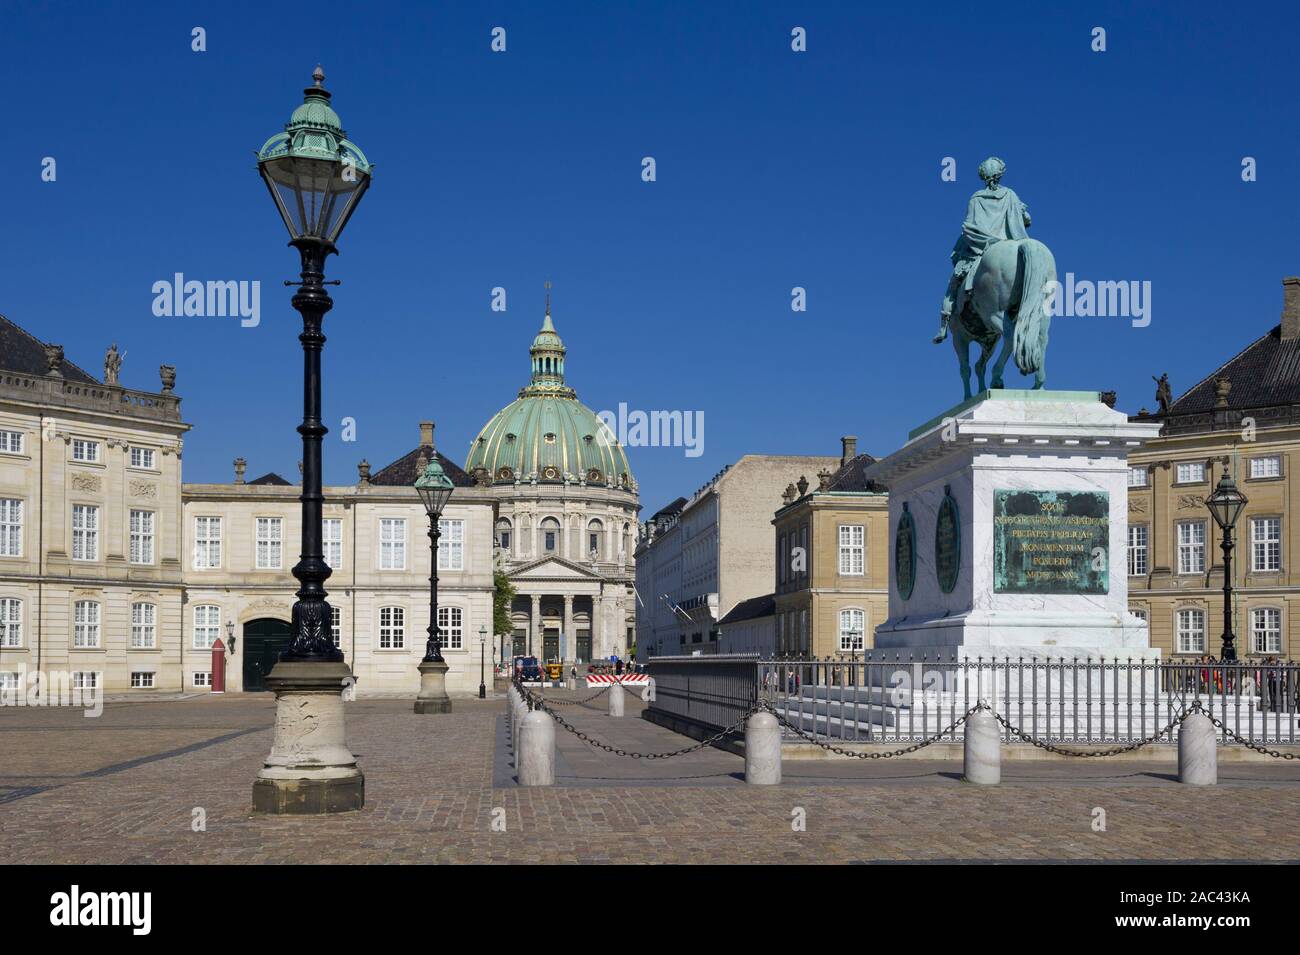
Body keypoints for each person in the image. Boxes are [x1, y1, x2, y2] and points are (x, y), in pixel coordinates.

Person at [935, 156, 1032, 344]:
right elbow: (1026, 220)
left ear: (983, 176)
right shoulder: (1010, 194)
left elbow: (968, 226)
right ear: (1000, 174)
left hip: (980, 248)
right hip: (1011, 242)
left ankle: (943, 327)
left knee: (953, 285)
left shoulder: (976, 198)